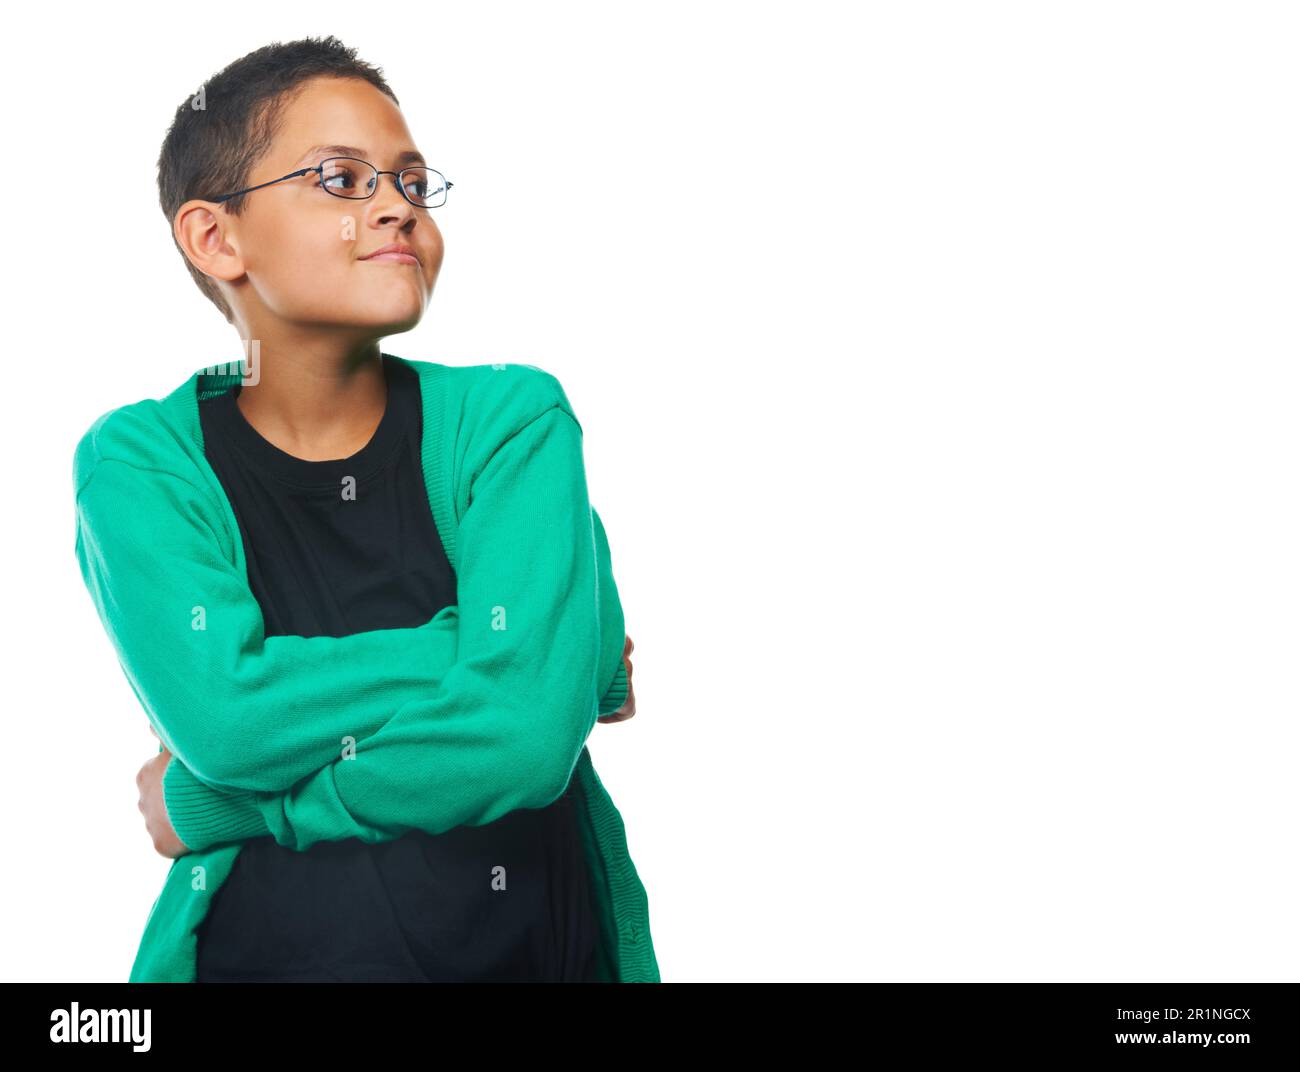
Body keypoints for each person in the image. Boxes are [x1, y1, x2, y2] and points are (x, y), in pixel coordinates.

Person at [73, 35, 655, 983]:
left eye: (413, 183)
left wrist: (238, 803)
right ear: (217, 238)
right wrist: (529, 655)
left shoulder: (513, 421)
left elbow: (524, 736)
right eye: (340, 178)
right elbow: (226, 720)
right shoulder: (138, 462)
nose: (395, 205)